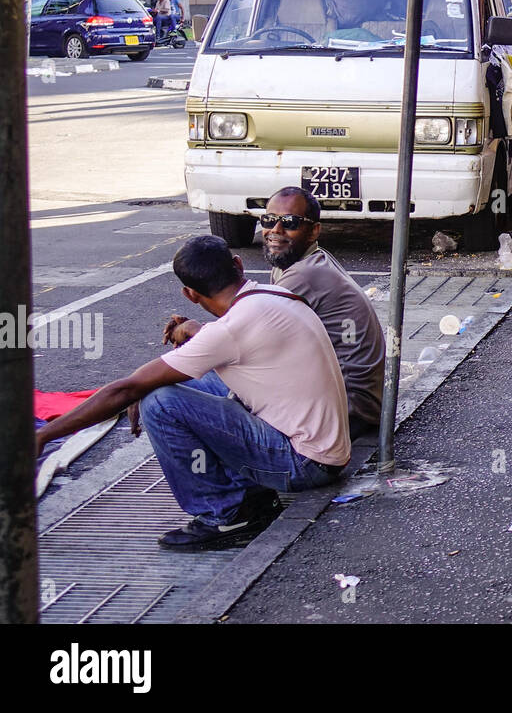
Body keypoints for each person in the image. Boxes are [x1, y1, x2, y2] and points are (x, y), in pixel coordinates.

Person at [34, 235, 350, 550]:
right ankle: (252, 496)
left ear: (189, 294)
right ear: (239, 265)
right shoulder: (272, 294)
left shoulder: (228, 331)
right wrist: (155, 370)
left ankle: (227, 515)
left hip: (306, 464)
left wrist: (43, 436)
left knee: (160, 402)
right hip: (325, 451)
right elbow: (231, 344)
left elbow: (128, 388)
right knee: (175, 383)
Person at [261, 187, 385, 438]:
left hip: (352, 410)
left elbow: (250, 338)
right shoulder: (295, 261)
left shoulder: (304, 274)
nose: (275, 230)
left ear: (314, 231)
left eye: (289, 223)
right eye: (269, 220)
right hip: (346, 398)